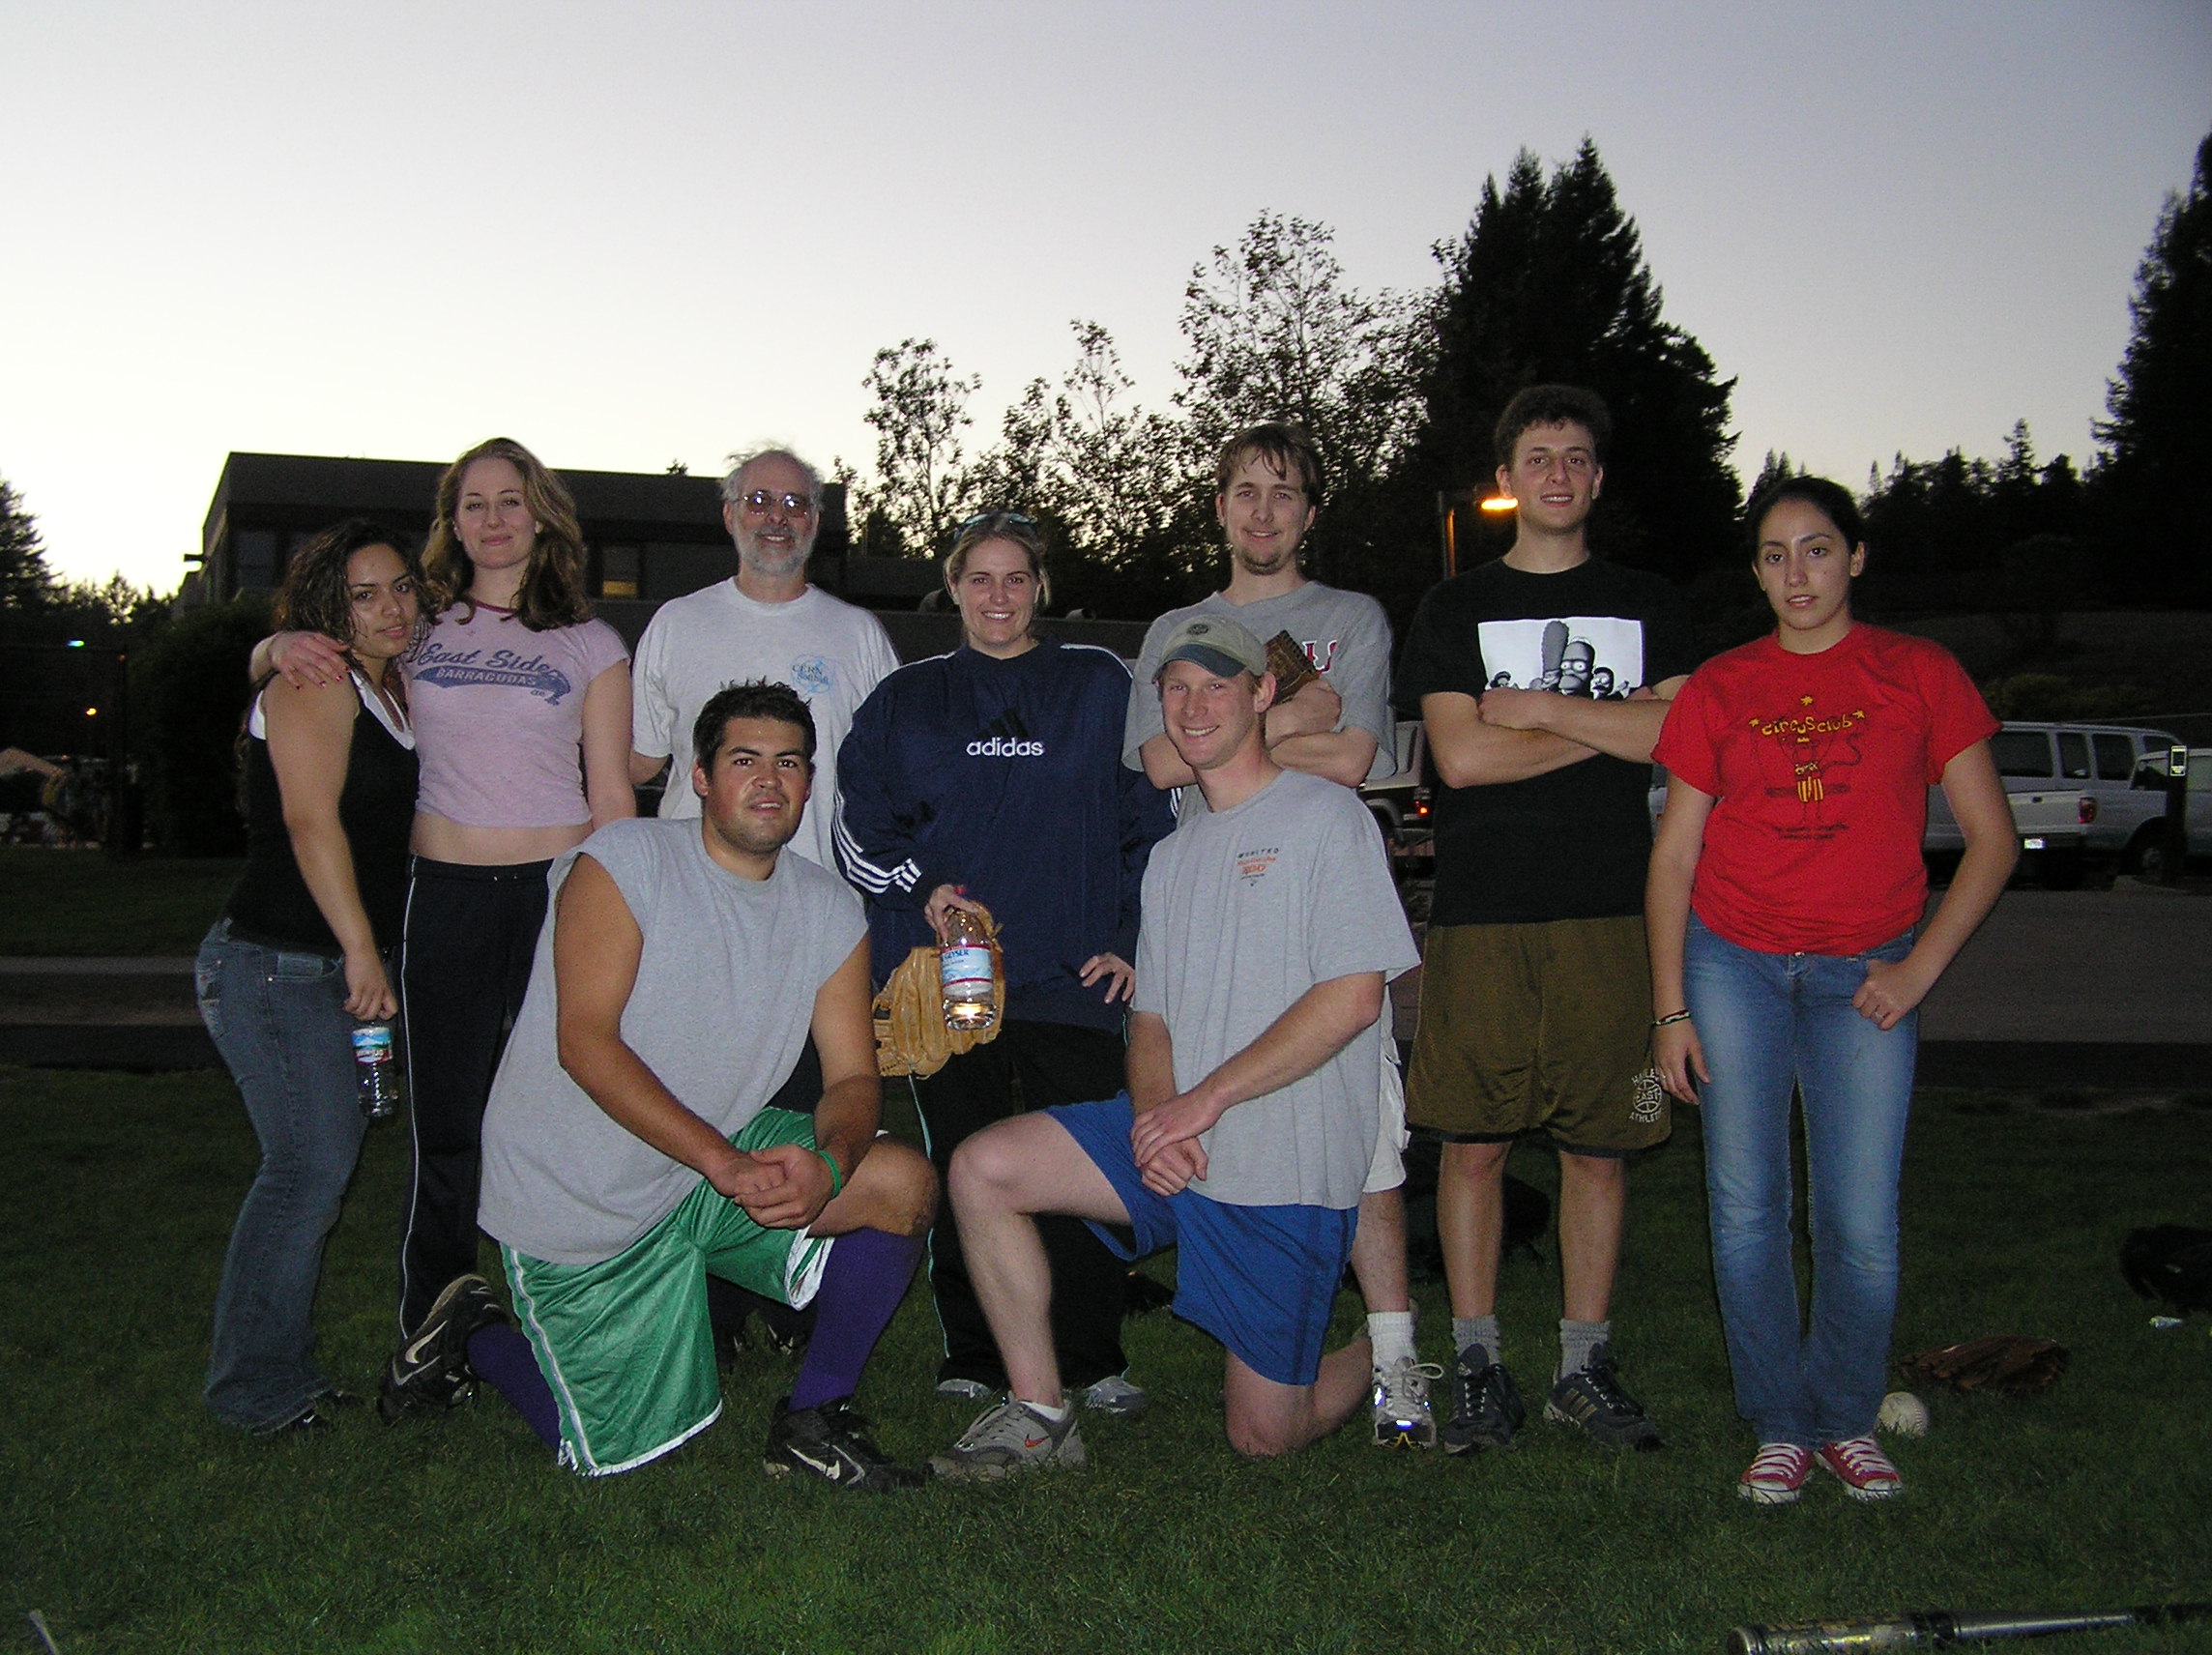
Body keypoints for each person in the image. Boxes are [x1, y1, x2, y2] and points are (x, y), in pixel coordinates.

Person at [932, 614, 1420, 1476]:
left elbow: (1351, 996)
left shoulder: (1325, 819)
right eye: (1176, 688)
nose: (1194, 706)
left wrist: (1203, 1104)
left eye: (1218, 684)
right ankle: (1042, 1411)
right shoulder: (1171, 854)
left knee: (1265, 1434)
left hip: (1284, 1165)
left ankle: (1383, 1366)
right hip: (1181, 1138)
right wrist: (1159, 1122)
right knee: (981, 1168)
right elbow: (1150, 1018)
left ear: (1264, 694)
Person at [421, 682, 939, 1484]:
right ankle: (473, 1331)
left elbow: (852, 1078)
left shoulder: (828, 906)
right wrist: (724, 1164)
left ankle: (812, 1416)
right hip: (582, 1196)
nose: (769, 780)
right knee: (618, 1458)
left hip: (709, 1168)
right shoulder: (623, 862)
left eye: (789, 763)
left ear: (808, 781)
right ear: (699, 777)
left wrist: (832, 1163)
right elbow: (586, 1045)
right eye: (744, 760)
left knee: (899, 1182)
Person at [1647, 475, 2016, 1504]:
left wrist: (1917, 967)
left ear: (1854, 557)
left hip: (1866, 971)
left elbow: (1991, 839)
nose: (1794, 573)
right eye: (1771, 553)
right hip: (1734, 963)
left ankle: (1845, 1415)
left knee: (1857, 1219)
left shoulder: (1917, 672)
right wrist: (1670, 1005)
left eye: (1815, 548)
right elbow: (1673, 856)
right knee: (1745, 1209)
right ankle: (1777, 1423)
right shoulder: (1721, 685)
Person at [261, 438, 636, 1409]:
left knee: (566, 1116)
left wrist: (626, 914)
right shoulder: (415, 623)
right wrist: (266, 646)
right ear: (453, 519)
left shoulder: (592, 644)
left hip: (557, 896)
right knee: (450, 1129)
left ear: (542, 516)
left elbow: (611, 794)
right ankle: (434, 1338)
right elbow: (304, 658)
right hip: (448, 898)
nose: (493, 518)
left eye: (512, 501)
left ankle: (575, 1316)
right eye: (473, 502)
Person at [1394, 385, 1695, 1455]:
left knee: (1600, 1145)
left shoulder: (1649, 598)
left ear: (1596, 478)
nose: (1557, 472)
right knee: (1470, 1144)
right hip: (1481, 917)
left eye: (1575, 456)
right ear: (1507, 477)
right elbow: (1463, 758)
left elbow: (1681, 738)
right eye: (1537, 454)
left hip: (1614, 915)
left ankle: (1582, 1363)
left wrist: (1545, 708)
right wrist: (1620, 726)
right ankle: (1476, 1361)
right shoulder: (1454, 608)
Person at [1122, 423, 1431, 1448]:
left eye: (1283, 493)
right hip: (1211, 911)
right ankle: (1281, 1318)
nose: (1262, 511)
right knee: (1234, 1129)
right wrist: (1292, 714)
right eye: (1244, 491)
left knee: (1366, 1138)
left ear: (1307, 510)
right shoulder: (1180, 622)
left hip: (1316, 893)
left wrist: (1258, 734)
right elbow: (1165, 765)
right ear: (1218, 506)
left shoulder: (1349, 615)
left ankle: (1396, 1354)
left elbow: (1355, 757)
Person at [837, 512, 1175, 1412]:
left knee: (1085, 1170)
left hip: (1075, 978)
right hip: (955, 980)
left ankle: (1094, 1358)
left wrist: (1136, 942)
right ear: (952, 587)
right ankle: (979, 1356)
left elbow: (1155, 824)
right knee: (963, 1165)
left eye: (1015, 579)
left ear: (1040, 588)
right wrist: (924, 892)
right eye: (979, 579)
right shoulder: (910, 698)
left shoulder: (1100, 685)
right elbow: (858, 825)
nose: (997, 597)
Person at [198, 520, 425, 1435]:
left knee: (315, 1170)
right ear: (329, 607)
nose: (392, 608)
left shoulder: (388, 686)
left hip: (328, 959)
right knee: (306, 1171)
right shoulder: (316, 680)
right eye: (365, 595)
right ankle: (255, 1392)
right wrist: (365, 952)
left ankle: (274, 1375)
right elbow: (309, 824)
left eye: (403, 587)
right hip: (276, 964)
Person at [628, 445, 900, 873]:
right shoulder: (676, 624)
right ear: (729, 515)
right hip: (690, 890)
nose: (777, 517)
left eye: (795, 503)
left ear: (815, 522)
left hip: (819, 893)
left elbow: (898, 773)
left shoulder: (859, 634)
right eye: (758, 501)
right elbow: (639, 762)